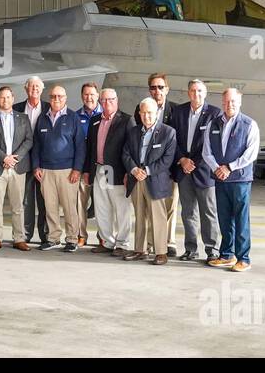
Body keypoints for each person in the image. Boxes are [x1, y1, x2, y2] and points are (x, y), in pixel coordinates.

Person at [205, 88, 260, 272]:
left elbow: (251, 153)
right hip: (220, 179)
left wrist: (229, 167)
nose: (230, 105)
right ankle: (226, 255)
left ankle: (244, 258)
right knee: (224, 219)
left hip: (240, 180)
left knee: (241, 219)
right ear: (222, 102)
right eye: (227, 102)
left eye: (233, 101)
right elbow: (207, 152)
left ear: (240, 102)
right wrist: (217, 168)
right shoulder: (213, 124)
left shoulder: (249, 124)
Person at [122, 97, 179, 265]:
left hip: (156, 180)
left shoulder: (168, 132)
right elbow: (125, 154)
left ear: (156, 113)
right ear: (139, 114)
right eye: (144, 113)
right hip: (136, 180)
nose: (147, 116)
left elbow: (167, 160)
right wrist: (134, 170)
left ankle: (161, 252)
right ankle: (140, 250)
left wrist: (146, 171)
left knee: (158, 217)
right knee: (139, 215)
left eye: (150, 113)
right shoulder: (133, 132)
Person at [171, 79, 222, 262]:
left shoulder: (215, 114)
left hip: (204, 172)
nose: (196, 94)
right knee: (188, 212)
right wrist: (182, 160)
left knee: (208, 212)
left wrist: (194, 162)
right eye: (193, 91)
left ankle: (212, 249)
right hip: (184, 171)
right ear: (188, 93)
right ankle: (190, 249)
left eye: (200, 91)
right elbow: (172, 140)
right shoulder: (179, 112)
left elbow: (213, 145)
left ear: (205, 93)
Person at [32, 85, 86, 252]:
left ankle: (71, 239)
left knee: (70, 207)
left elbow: (80, 146)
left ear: (66, 98)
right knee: (50, 206)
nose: (56, 99)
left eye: (60, 96)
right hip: (46, 171)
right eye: (53, 96)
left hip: (68, 171)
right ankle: (53, 238)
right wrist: (36, 166)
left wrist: (77, 169)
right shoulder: (42, 118)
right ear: (49, 98)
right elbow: (36, 145)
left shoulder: (73, 118)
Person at [0, 86, 32, 251]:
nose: (5, 100)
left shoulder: (23, 118)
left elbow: (28, 140)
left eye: (8, 97)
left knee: (18, 206)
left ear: (13, 98)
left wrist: (14, 159)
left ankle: (19, 238)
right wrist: (4, 158)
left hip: (17, 167)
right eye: (2, 98)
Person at [84, 88, 133, 256]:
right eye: (103, 100)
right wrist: (87, 170)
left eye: (110, 99)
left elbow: (131, 149)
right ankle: (107, 241)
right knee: (102, 207)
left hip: (116, 170)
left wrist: (128, 172)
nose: (107, 103)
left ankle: (122, 243)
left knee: (121, 208)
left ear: (117, 100)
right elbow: (90, 147)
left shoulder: (126, 120)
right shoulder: (95, 120)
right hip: (99, 168)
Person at [13, 76, 48, 244]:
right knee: (25, 200)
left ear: (42, 90)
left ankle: (45, 235)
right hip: (23, 160)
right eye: (31, 86)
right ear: (26, 89)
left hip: (44, 161)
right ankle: (25, 234)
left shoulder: (50, 107)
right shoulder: (16, 108)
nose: (34, 89)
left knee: (44, 199)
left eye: (37, 86)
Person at [75, 82, 102, 246]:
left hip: (100, 168)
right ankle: (81, 235)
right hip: (83, 167)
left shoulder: (105, 115)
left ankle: (103, 237)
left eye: (92, 94)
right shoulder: (75, 116)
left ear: (97, 95)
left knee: (102, 204)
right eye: (86, 94)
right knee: (80, 203)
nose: (89, 97)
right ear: (81, 96)